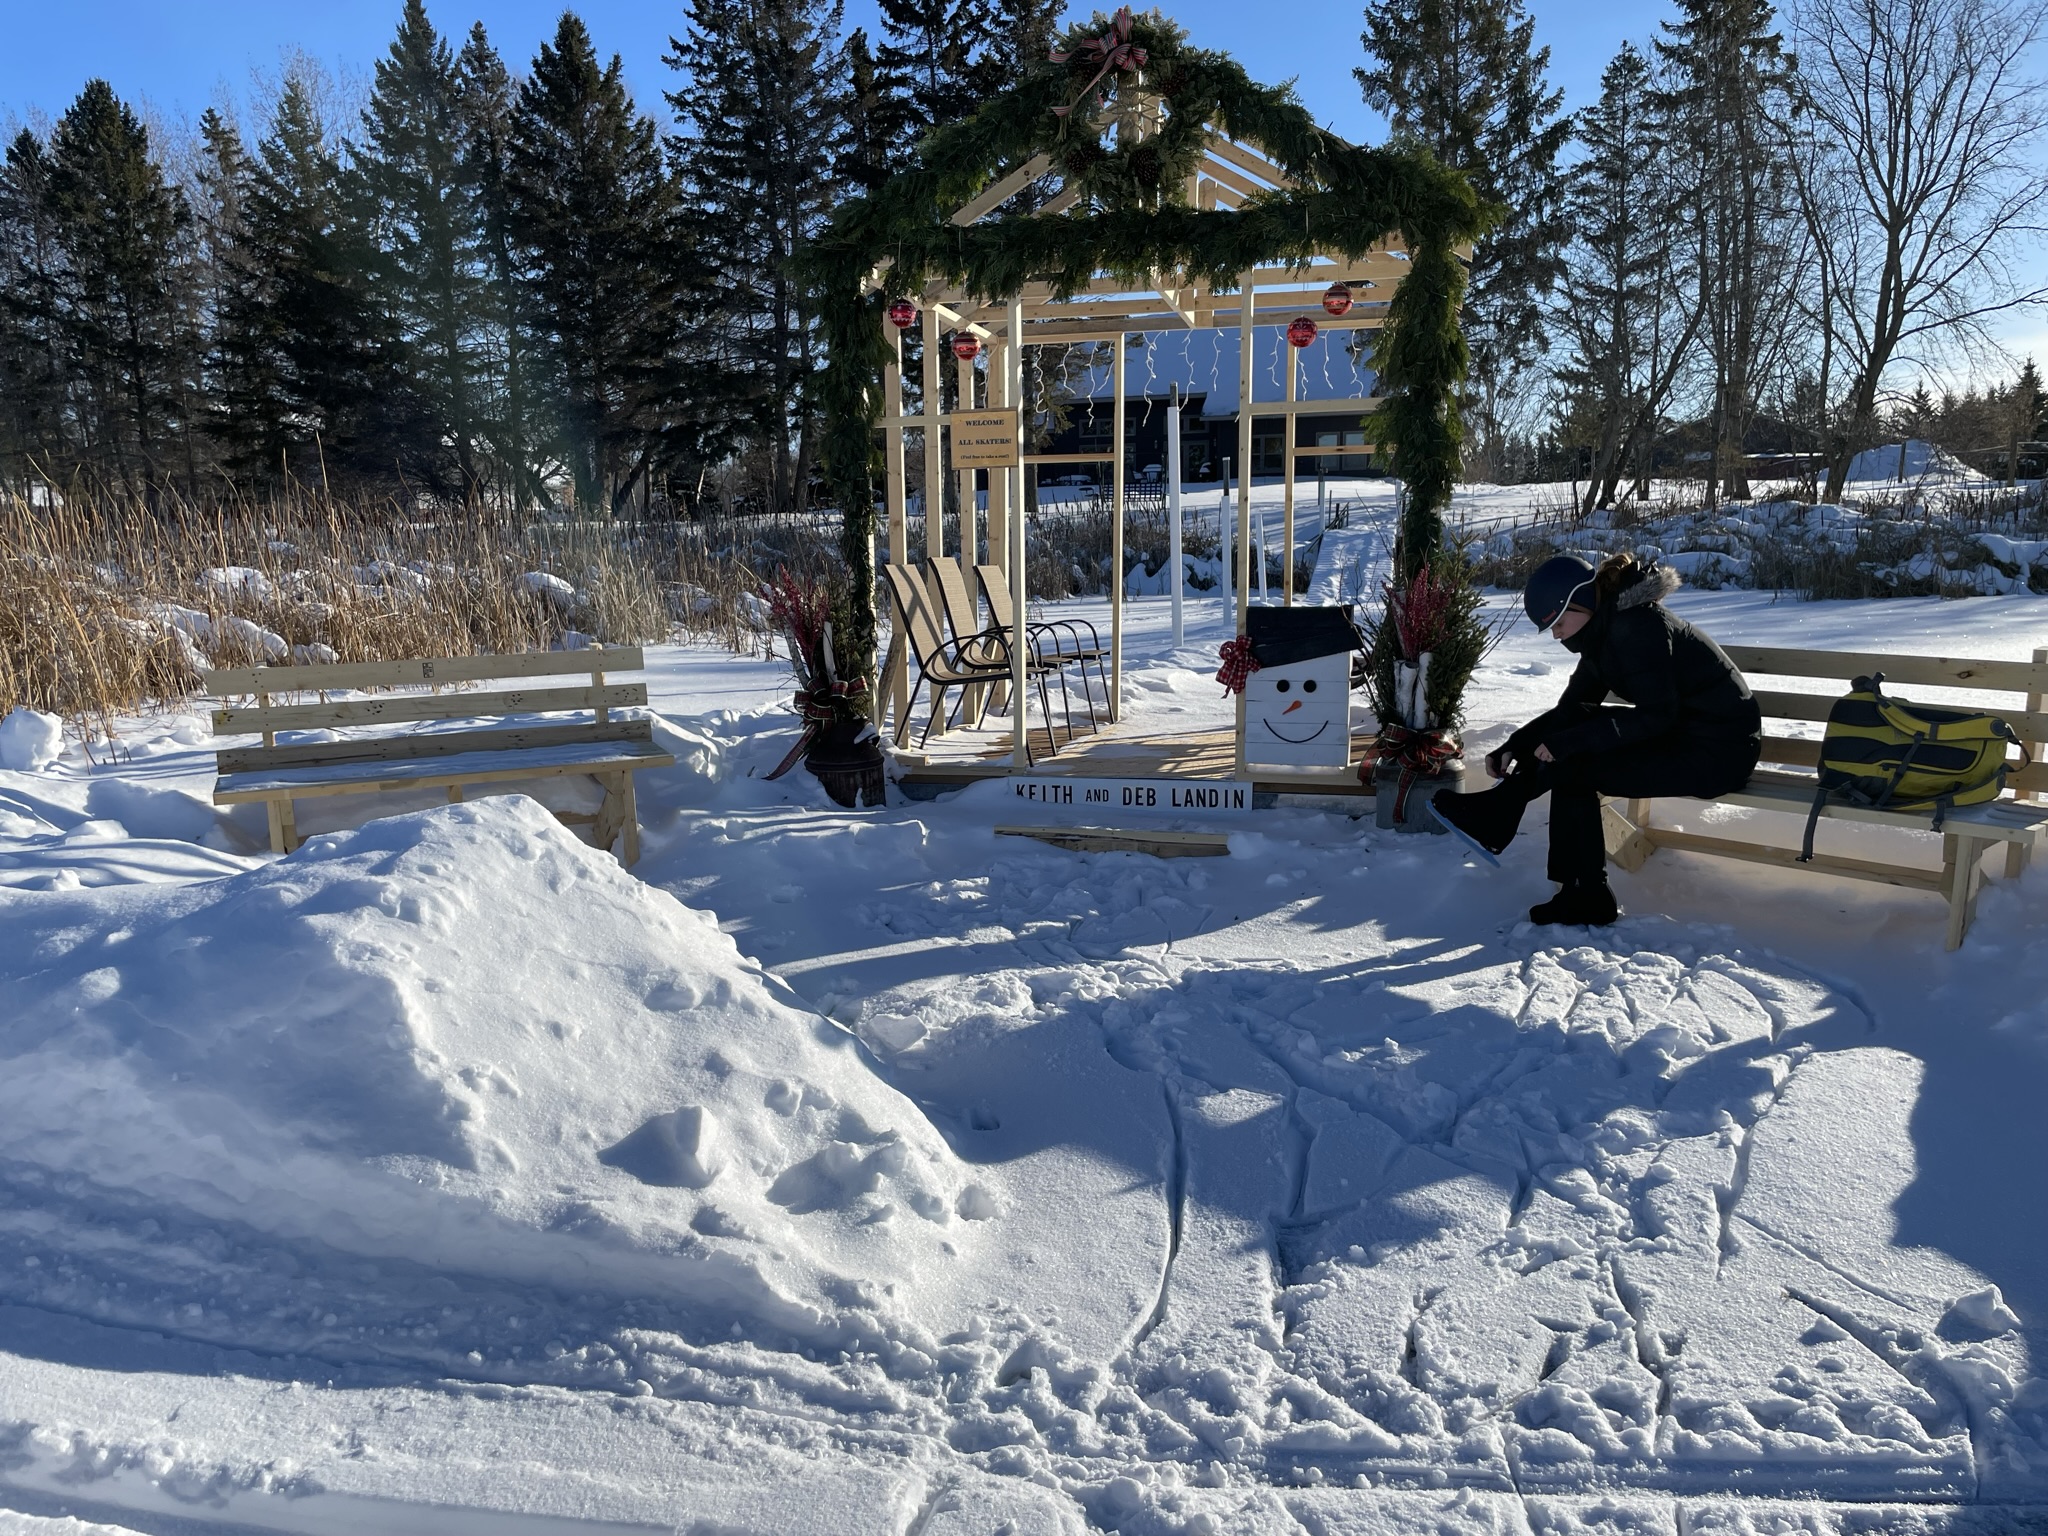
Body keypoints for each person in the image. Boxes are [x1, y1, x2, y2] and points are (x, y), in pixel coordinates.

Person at [1429, 553, 1763, 925]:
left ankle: (1573, 883)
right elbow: (1573, 709)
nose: (1556, 634)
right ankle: (1569, 881)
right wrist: (1516, 745)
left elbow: (1657, 715)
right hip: (1683, 734)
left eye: (1558, 622)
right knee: (1572, 751)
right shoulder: (1604, 630)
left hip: (1720, 751)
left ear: (1581, 602)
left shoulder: (1637, 626)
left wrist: (1570, 742)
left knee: (1576, 763)